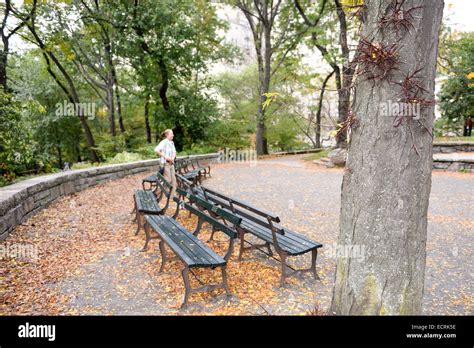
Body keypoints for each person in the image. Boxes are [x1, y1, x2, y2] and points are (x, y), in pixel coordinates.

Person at [154, 129, 177, 199]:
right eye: (171, 134)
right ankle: (156, 193)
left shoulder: (172, 143)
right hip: (165, 164)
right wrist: (165, 157)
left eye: (172, 134)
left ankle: (172, 197)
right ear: (167, 135)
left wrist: (172, 157)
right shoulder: (164, 142)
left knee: (174, 180)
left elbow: (174, 152)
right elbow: (156, 150)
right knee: (168, 180)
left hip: (172, 163)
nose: (173, 135)